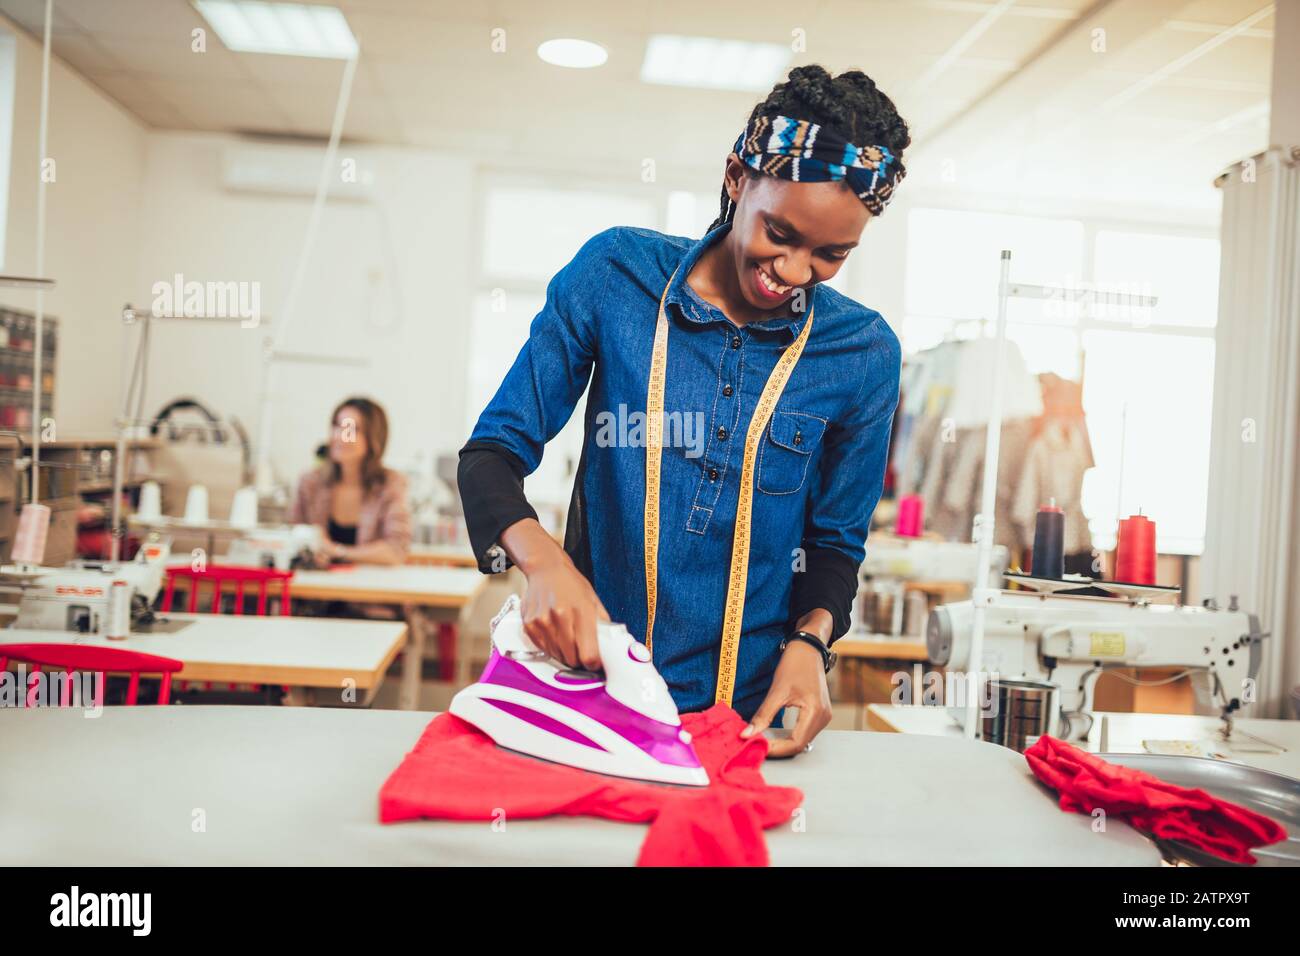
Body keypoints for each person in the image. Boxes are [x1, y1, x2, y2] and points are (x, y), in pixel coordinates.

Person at [459, 66, 907, 757]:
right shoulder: (617, 276)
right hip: (590, 701)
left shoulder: (862, 353)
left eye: (830, 254)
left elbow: (834, 545)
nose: (793, 270)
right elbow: (491, 456)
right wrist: (546, 565)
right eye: (780, 233)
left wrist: (811, 645)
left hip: (750, 722)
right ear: (736, 177)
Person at [290, 397, 412, 565]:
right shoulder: (309, 482)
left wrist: (337, 551)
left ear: (373, 439)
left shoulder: (390, 484)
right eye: (337, 426)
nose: (339, 436)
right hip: (315, 585)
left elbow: (395, 551)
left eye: (350, 429)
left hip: (368, 587)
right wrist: (310, 539)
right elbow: (291, 536)